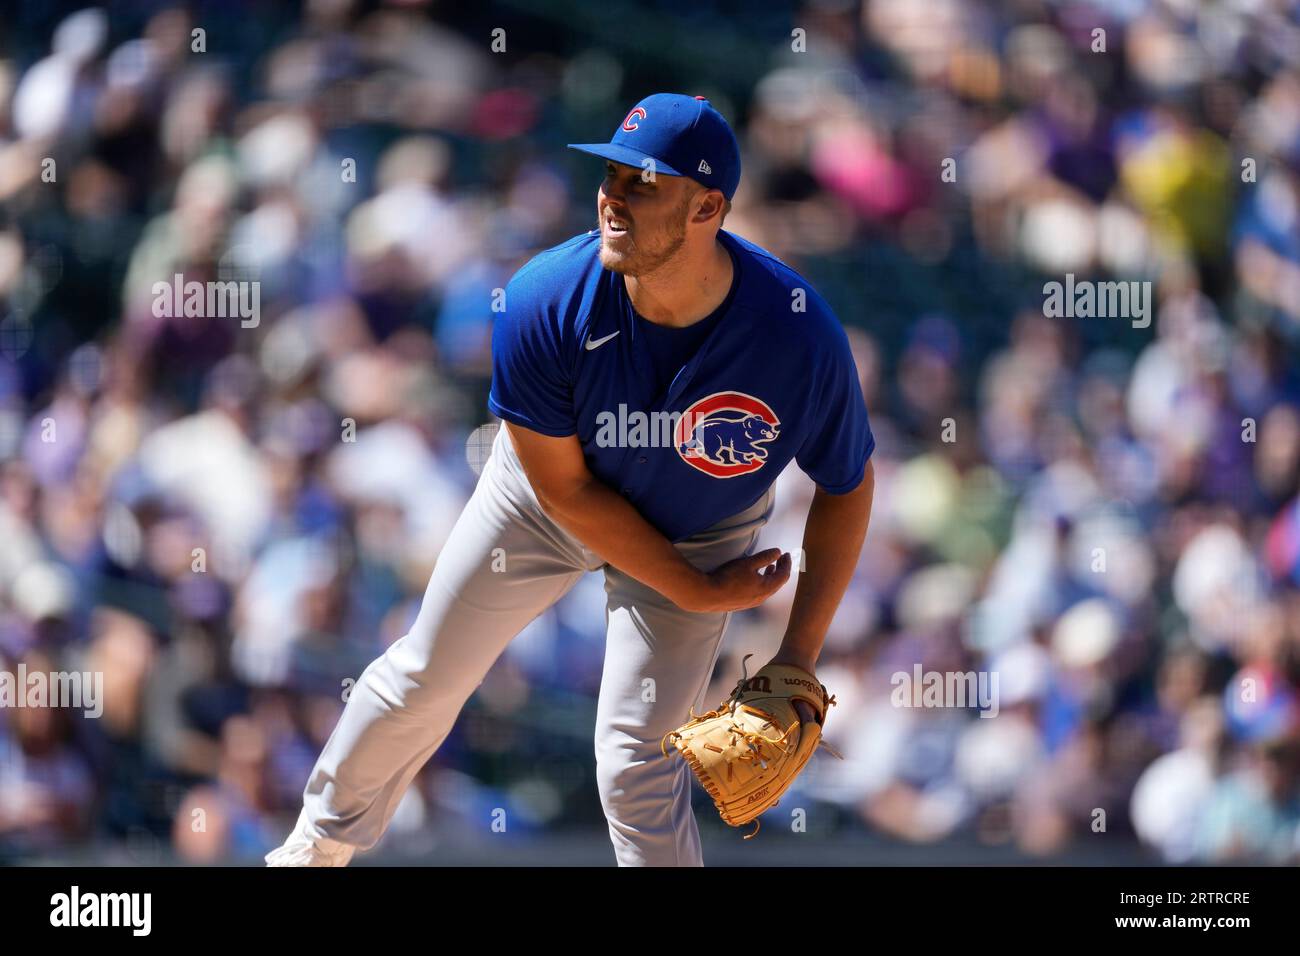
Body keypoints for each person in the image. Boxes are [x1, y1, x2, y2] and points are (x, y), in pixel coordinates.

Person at [266, 92, 876, 867]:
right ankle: (314, 849)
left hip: (700, 531)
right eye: (611, 176)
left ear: (709, 207)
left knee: (635, 770)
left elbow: (848, 484)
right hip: (543, 504)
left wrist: (799, 654)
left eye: (643, 183)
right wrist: (692, 592)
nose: (614, 198)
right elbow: (566, 492)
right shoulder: (545, 298)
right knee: (426, 675)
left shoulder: (795, 333)